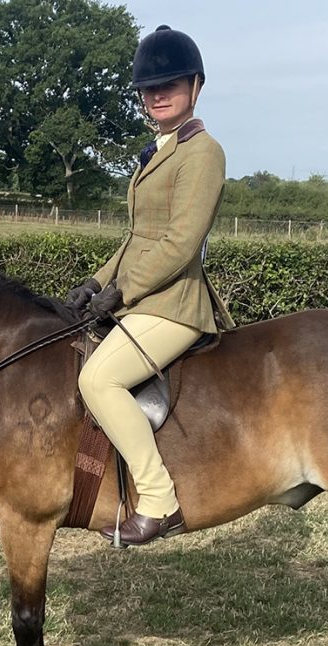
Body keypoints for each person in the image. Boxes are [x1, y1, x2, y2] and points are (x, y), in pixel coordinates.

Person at [66, 24, 232, 547]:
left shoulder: (202, 153)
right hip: (143, 296)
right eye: (149, 87)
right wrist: (94, 282)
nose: (158, 94)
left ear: (195, 87)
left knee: (99, 381)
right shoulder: (157, 151)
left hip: (175, 304)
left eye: (171, 84)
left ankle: (159, 501)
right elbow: (138, 236)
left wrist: (124, 291)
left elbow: (182, 243)